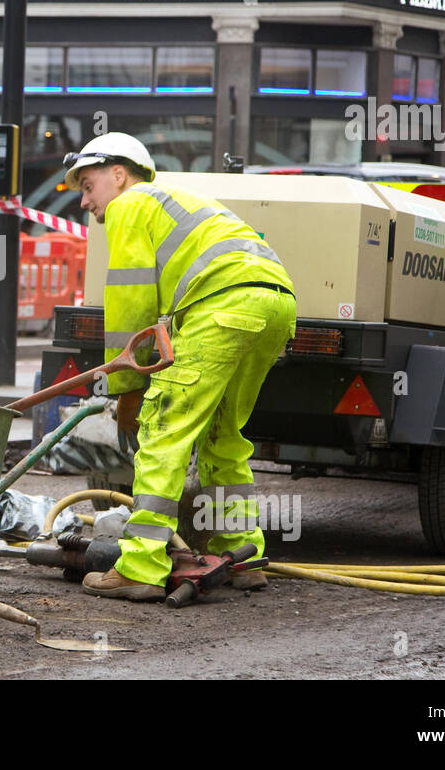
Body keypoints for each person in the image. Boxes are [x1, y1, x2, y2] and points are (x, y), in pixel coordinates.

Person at [63, 133, 297, 601]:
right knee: (222, 436)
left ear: (119, 174)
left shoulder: (132, 204)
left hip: (222, 306)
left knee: (164, 429)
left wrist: (128, 393)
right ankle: (242, 555)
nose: (85, 201)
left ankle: (141, 567)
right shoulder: (176, 202)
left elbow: (130, 305)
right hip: (275, 303)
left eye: (88, 186)